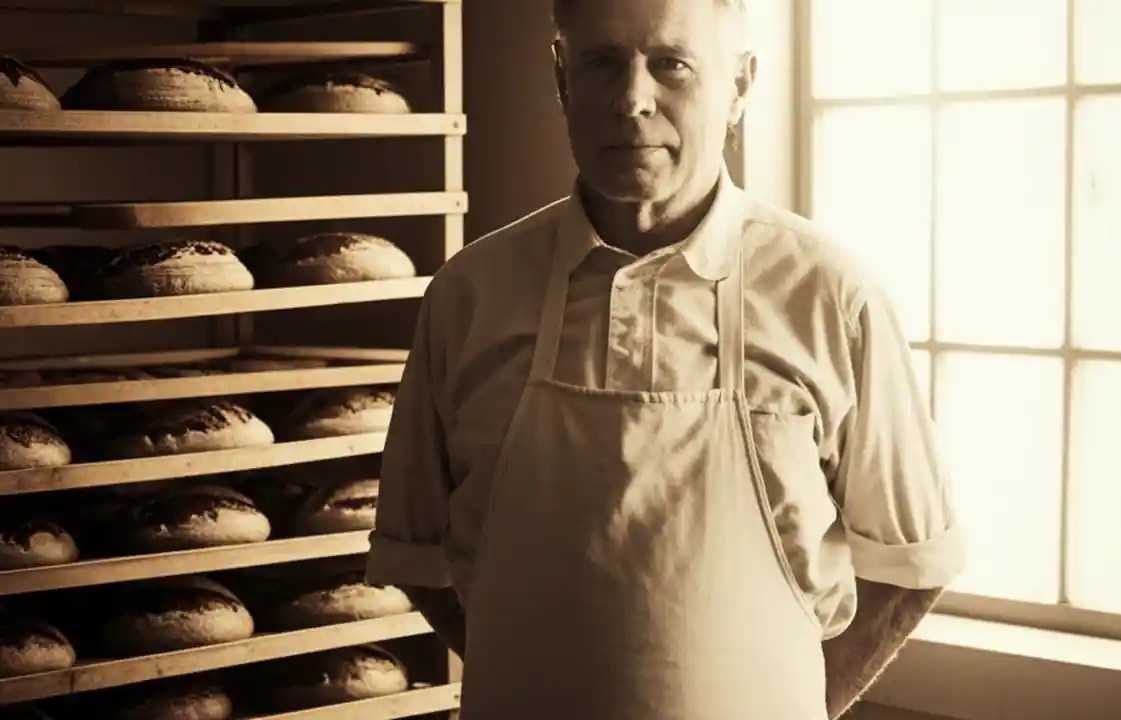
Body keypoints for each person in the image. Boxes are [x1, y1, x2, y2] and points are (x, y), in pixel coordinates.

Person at [366, 0, 965, 717]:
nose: (631, 100)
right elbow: (420, 554)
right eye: (599, 63)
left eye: (672, 64)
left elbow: (911, 564)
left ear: (740, 86)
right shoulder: (471, 293)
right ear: (561, 77)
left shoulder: (831, 296)